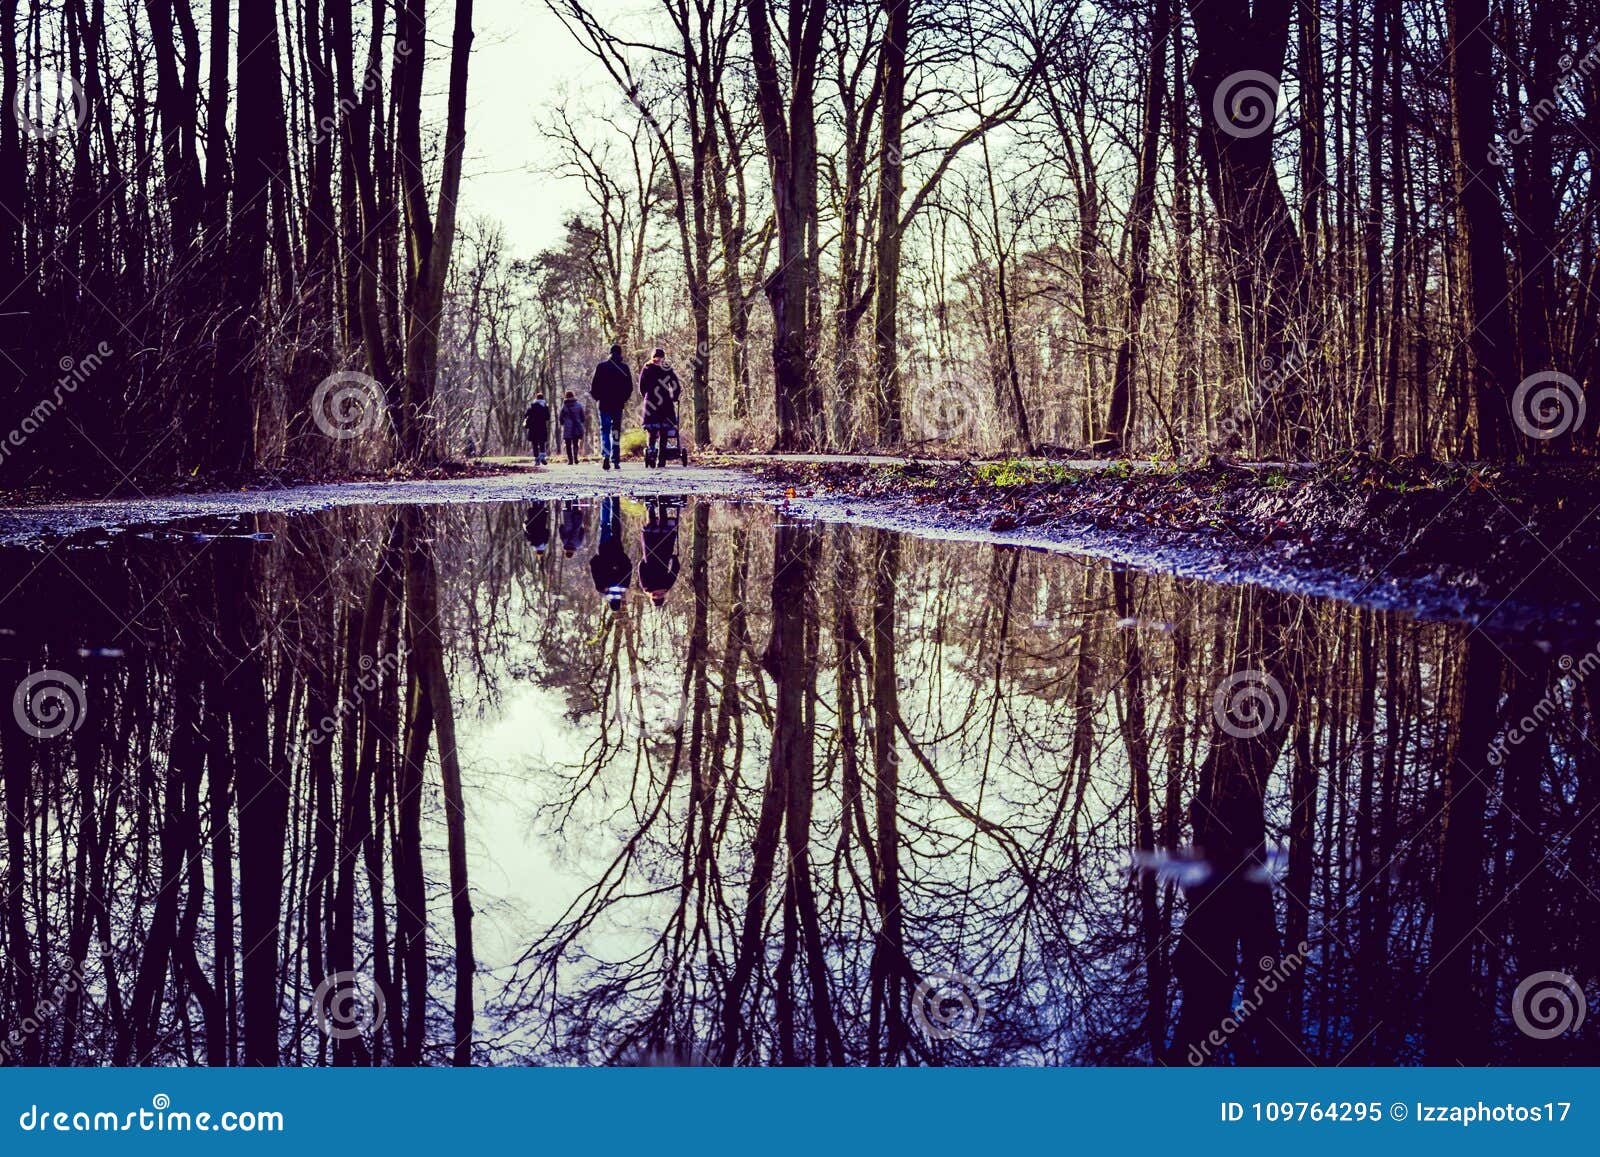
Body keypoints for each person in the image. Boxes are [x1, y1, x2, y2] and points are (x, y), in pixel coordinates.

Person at [589, 344, 633, 470]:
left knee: (605, 431)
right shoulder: (624, 368)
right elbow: (629, 387)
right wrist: (623, 399)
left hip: (604, 404)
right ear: (621, 353)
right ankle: (616, 459)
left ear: (610, 353)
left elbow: (594, 386)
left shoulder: (602, 367)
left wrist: (598, 398)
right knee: (616, 431)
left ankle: (606, 456)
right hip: (618, 405)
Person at [638, 348, 682, 468]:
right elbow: (676, 385)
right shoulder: (666, 368)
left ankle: (653, 452)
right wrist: (674, 396)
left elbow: (641, 386)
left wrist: (646, 396)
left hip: (652, 401)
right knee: (662, 431)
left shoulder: (647, 368)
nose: (658, 361)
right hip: (664, 402)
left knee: (653, 431)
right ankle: (659, 457)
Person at [589, 496, 633, 611]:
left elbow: (628, 567)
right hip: (609, 549)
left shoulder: (607, 587)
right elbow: (628, 567)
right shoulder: (605, 587)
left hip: (612, 549)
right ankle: (609, 500)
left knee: (611, 524)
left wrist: (621, 557)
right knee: (608, 525)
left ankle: (611, 500)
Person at [638, 499, 682, 606]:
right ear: (652, 599)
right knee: (651, 528)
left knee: (664, 529)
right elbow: (641, 568)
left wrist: (673, 558)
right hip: (650, 554)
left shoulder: (666, 586)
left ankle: (662, 505)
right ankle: (651, 507)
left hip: (664, 554)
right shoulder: (646, 587)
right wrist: (644, 560)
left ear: (662, 598)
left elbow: (675, 570)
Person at [558, 390, 586, 465]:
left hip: (567, 427)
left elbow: (560, 417)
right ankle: (576, 458)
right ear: (573, 396)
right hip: (576, 427)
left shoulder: (564, 406)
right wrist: (580, 422)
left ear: (566, 396)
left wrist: (563, 423)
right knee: (575, 443)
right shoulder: (579, 405)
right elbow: (583, 417)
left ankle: (570, 460)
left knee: (568, 445)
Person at [523, 395, 551, 464]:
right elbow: (548, 417)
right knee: (542, 443)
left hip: (533, 428)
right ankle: (542, 457)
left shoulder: (532, 407)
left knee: (534, 444)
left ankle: (537, 459)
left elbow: (525, 415)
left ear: (536, 399)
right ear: (543, 399)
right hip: (542, 427)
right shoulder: (545, 407)